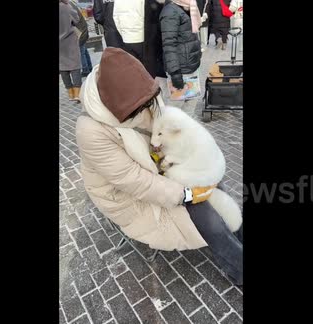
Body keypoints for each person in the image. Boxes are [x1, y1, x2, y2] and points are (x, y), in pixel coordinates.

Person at [76, 47, 243, 285]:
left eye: (148, 104)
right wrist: (184, 193)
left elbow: (169, 132)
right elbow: (133, 180)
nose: (148, 110)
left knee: (215, 186)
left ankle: (239, 233)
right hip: (127, 193)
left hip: (157, 169)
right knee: (206, 214)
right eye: (139, 110)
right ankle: (238, 267)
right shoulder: (90, 130)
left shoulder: (142, 93)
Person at [159, 0, 202, 114]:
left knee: (191, 102)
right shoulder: (170, 11)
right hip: (181, 68)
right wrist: (175, 73)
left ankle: (185, 128)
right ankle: (170, 130)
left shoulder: (185, 7)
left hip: (190, 65)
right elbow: (169, 45)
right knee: (175, 107)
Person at [59, 0, 82, 102]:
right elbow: (77, 19)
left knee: (63, 68)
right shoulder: (66, 6)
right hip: (70, 41)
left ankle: (70, 94)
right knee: (75, 67)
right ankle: (77, 94)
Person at [68, 0, 93, 77]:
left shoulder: (67, 6)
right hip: (82, 30)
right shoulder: (70, 3)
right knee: (84, 50)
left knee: (80, 52)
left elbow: (71, 21)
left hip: (79, 32)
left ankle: (85, 70)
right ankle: (89, 67)